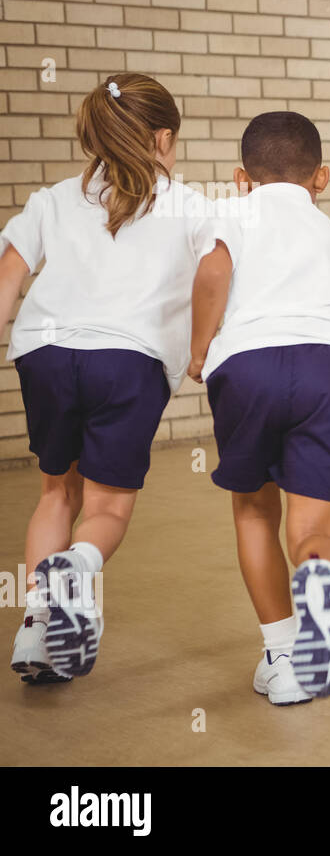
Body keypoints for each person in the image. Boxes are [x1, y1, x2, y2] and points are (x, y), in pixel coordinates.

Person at [2, 74, 213, 684]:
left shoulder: (53, 198)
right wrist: (204, 346)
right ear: (163, 137)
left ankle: (37, 629)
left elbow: (9, 277)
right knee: (107, 508)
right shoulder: (190, 204)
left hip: (45, 355)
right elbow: (218, 267)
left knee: (54, 492)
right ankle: (75, 569)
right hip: (127, 361)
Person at [189, 111, 330, 705]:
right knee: (315, 528)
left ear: (242, 177)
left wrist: (198, 350)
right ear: (320, 178)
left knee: (253, 511)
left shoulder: (233, 212)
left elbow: (213, 269)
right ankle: (319, 578)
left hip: (250, 364)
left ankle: (282, 655)